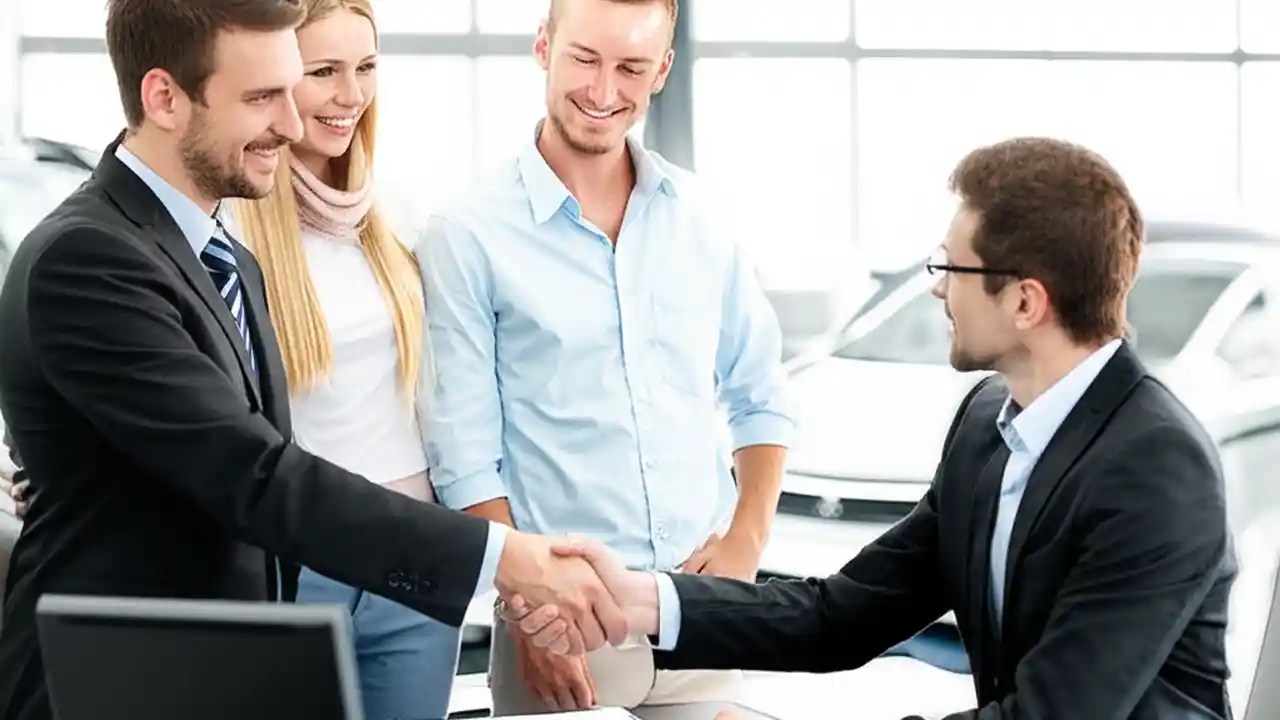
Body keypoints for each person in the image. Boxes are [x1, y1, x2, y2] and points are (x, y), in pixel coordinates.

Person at [0, 2, 625, 718]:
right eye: (263, 98)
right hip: (110, 686)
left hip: (212, 669)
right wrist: (507, 559)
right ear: (163, 97)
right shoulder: (87, 260)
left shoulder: (220, 256)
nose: (294, 125)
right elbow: (256, 476)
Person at [516, 138, 1239, 719]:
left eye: (951, 266)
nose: (934, 286)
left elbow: (1059, 711)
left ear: (1025, 302)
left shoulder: (1157, 469)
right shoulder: (988, 422)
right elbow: (843, 614)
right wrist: (638, 599)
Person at [419, 0, 793, 713]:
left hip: (702, 615)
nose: (602, 91)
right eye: (584, 59)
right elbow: (463, 455)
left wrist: (746, 540)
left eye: (630, 67)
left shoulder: (702, 217)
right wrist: (528, 610)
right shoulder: (465, 232)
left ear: (663, 71)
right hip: (562, 626)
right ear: (542, 47)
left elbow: (760, 393)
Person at [226, 1, 463, 717]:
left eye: (364, 68)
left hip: (416, 559)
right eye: (322, 71)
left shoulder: (396, 212)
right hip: (304, 562)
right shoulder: (233, 226)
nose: (350, 95)